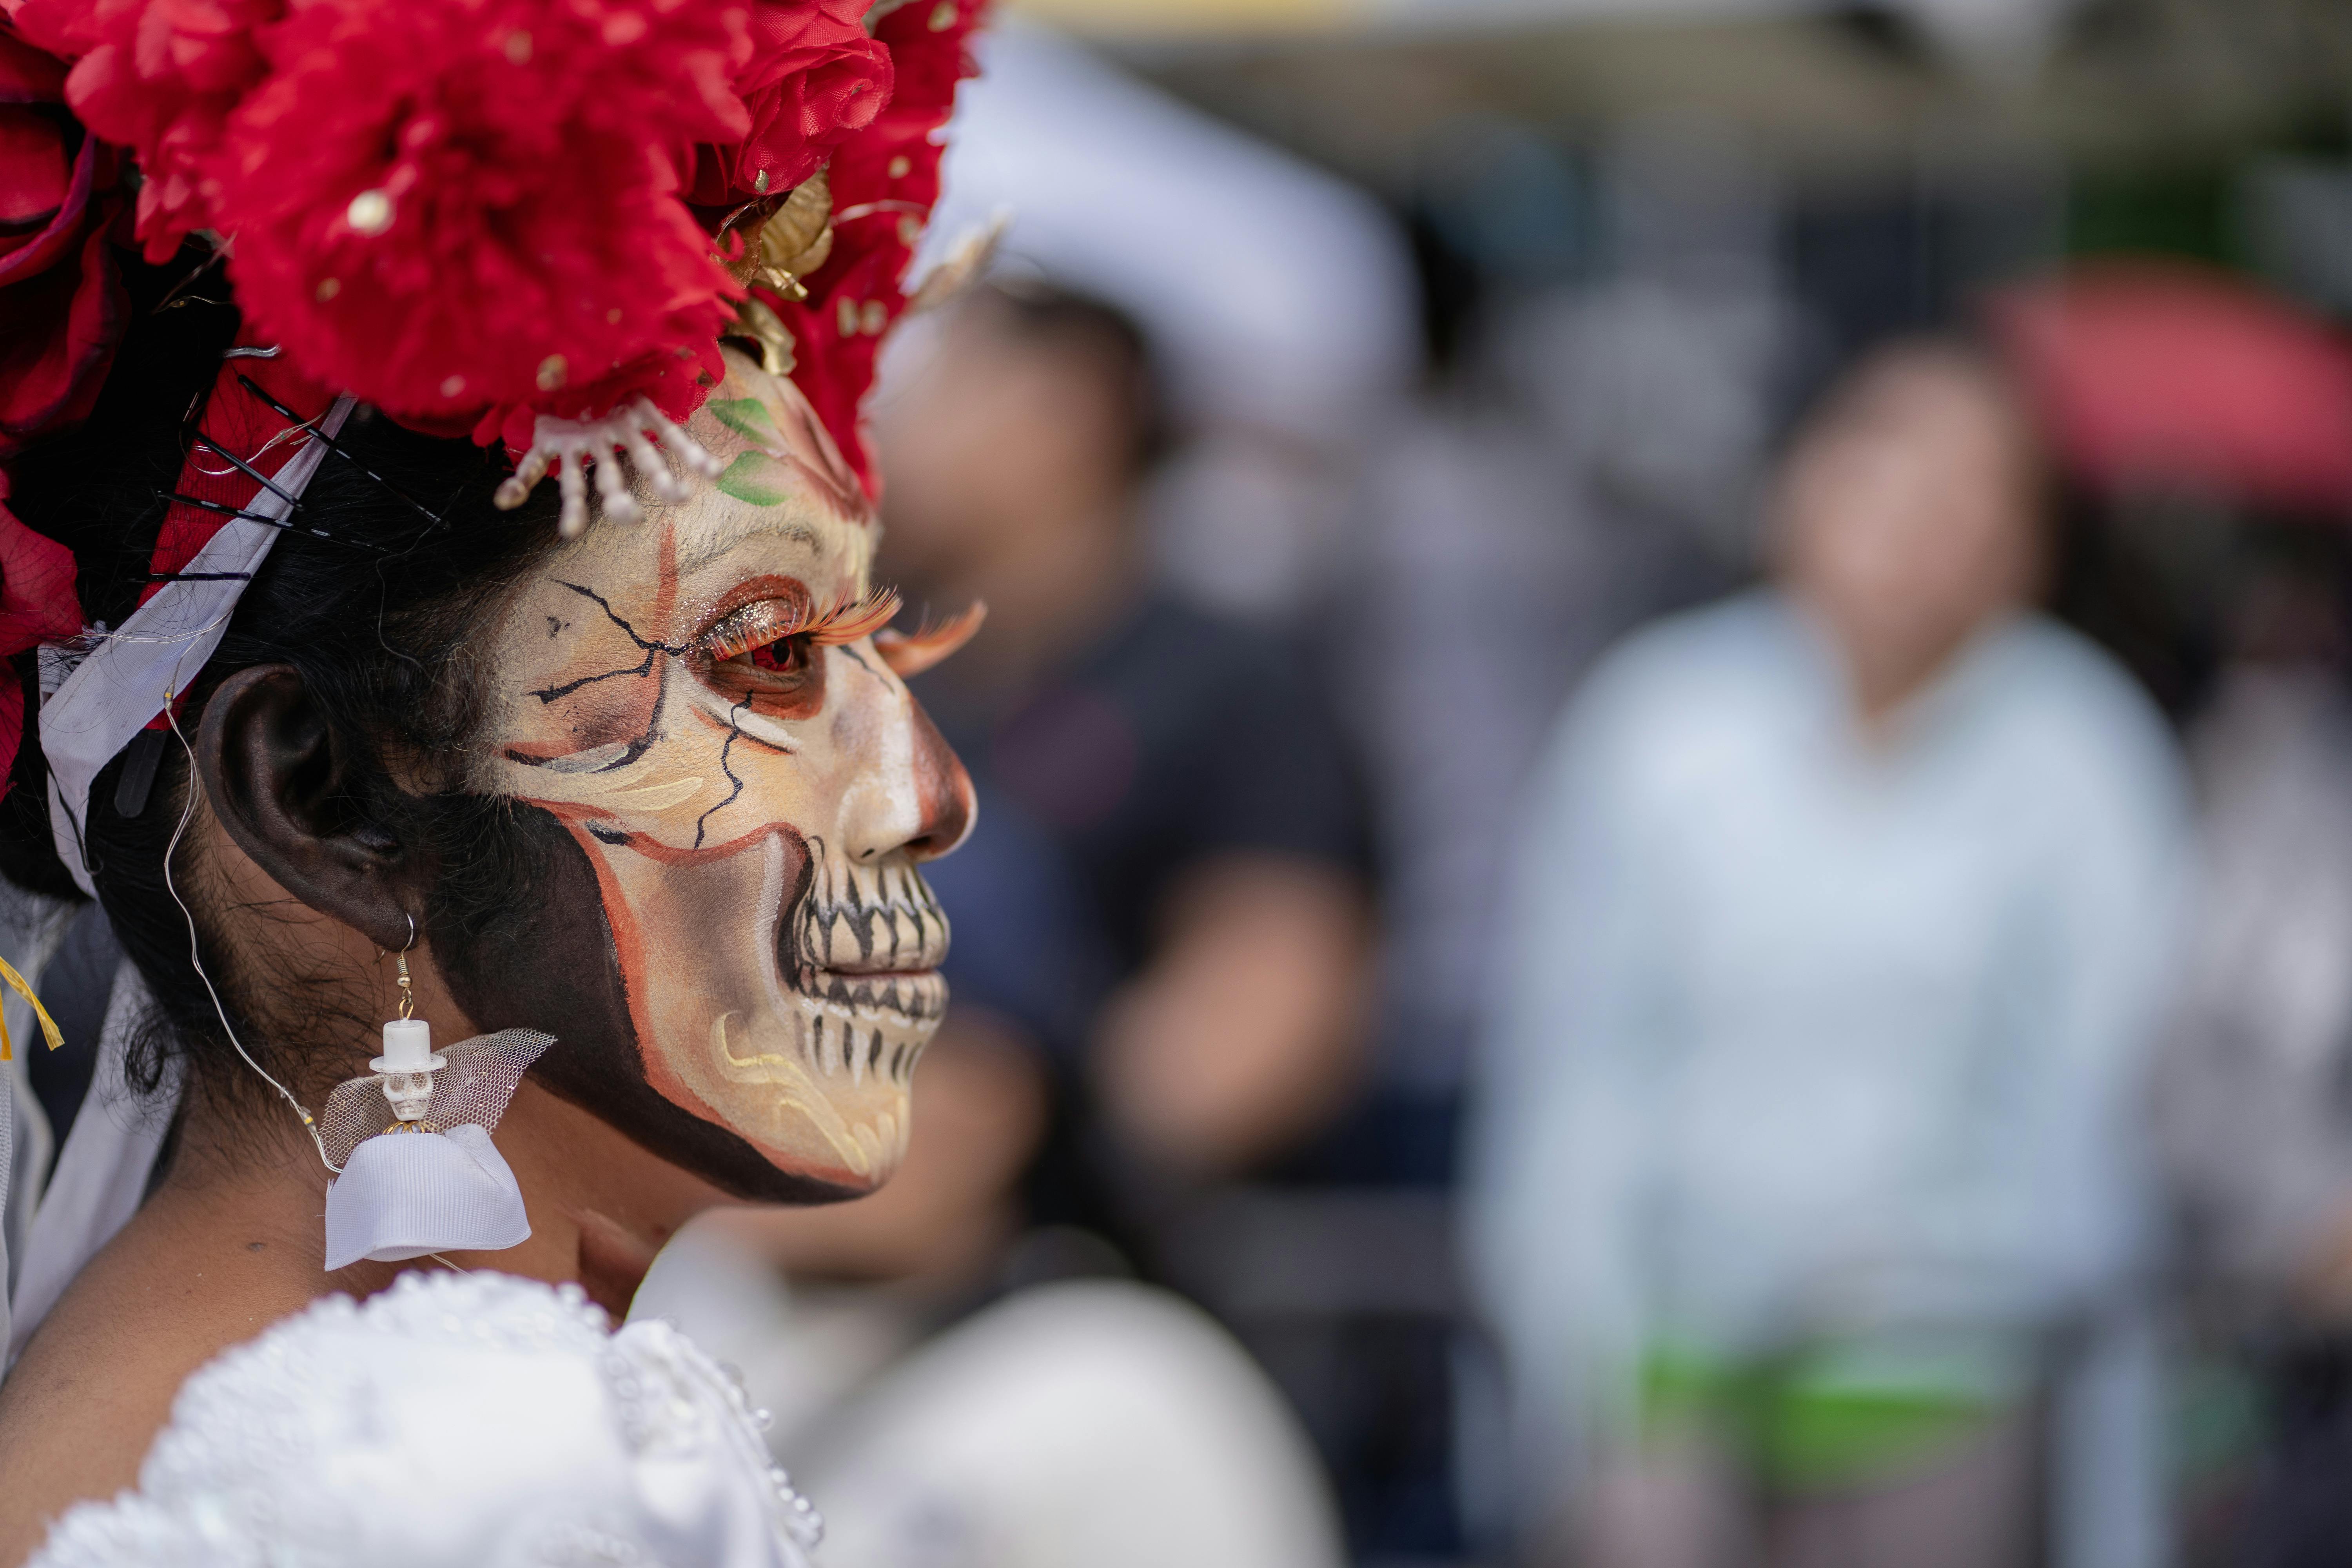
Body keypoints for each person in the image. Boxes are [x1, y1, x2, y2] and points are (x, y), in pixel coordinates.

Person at [0, 0, 990, 1559]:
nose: (927, 791)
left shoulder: (339, 1415)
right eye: (770, 653)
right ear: (321, 798)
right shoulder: (472, 1490)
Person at [1468, 340, 2191, 1568]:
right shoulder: (1660, 722)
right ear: (1797, 486)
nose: (1925, 524)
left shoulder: (2081, 753)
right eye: (1888, 469)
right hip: (1665, 1368)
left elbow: (2114, 1096)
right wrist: (1569, 1360)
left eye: (1976, 491)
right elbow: (1572, 1064)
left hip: (1955, 1377)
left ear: (2031, 545)